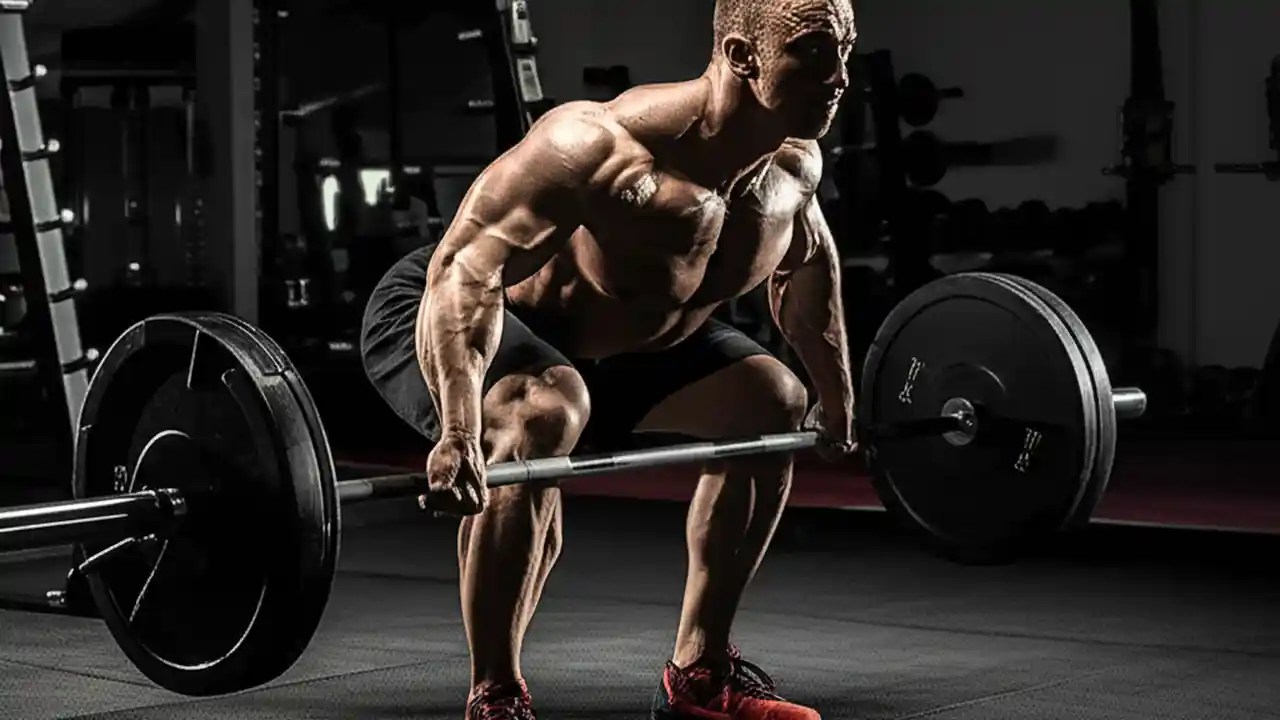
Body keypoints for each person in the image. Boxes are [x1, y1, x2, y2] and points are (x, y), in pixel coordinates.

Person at [359, 0, 858, 716]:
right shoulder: (596, 143)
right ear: (744, 56)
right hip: (461, 309)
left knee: (771, 402)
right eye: (814, 52)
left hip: (619, 349)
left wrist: (836, 399)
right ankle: (495, 694)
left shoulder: (791, 165)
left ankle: (700, 675)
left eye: (846, 49)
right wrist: (461, 434)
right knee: (543, 411)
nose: (840, 76)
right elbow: (466, 273)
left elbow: (807, 269)